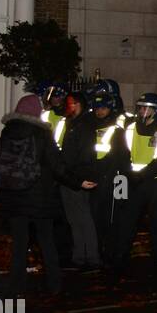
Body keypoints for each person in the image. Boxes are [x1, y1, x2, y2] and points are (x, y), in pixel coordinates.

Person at [0, 94, 92, 296]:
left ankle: (16, 285)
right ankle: (54, 284)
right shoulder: (42, 134)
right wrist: (78, 182)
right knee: (46, 240)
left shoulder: (7, 133)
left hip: (14, 196)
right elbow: (57, 166)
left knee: (20, 243)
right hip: (40, 196)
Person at [113, 93, 157, 275]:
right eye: (141, 107)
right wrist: (130, 173)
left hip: (155, 182)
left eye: (147, 108)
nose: (143, 111)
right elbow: (122, 152)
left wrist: (144, 174)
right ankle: (120, 256)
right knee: (127, 220)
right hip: (133, 181)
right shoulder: (130, 128)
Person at [84, 89, 131, 279]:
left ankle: (114, 255)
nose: (99, 111)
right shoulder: (92, 126)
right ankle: (103, 252)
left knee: (115, 217)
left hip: (115, 179)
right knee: (99, 217)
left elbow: (120, 157)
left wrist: (116, 179)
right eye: (96, 107)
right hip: (99, 180)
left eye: (102, 108)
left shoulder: (117, 130)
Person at [59, 93, 102, 272]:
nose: (67, 107)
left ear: (78, 105)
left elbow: (85, 156)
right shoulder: (73, 124)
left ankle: (91, 258)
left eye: (70, 104)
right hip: (69, 177)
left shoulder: (83, 125)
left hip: (77, 178)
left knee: (83, 218)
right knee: (74, 219)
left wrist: (80, 179)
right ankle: (79, 256)